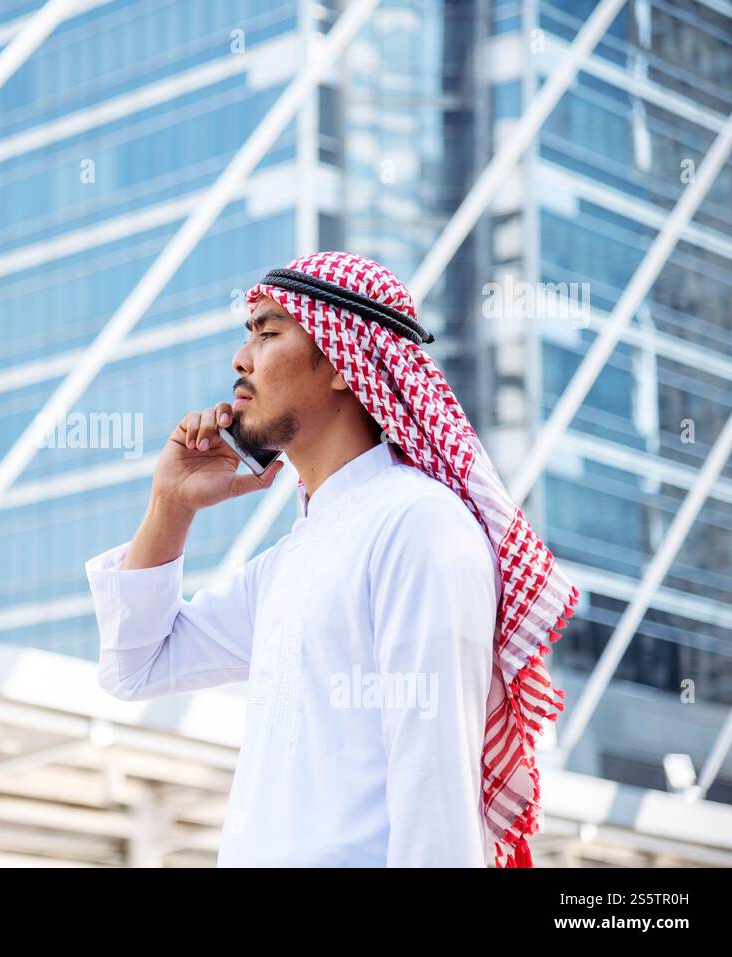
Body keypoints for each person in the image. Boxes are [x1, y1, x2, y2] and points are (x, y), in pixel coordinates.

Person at [84, 251, 577, 867]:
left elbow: (435, 809)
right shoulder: (291, 561)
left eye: (268, 334)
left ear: (345, 362)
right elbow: (137, 668)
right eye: (248, 337)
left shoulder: (417, 526)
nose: (241, 360)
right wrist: (170, 505)